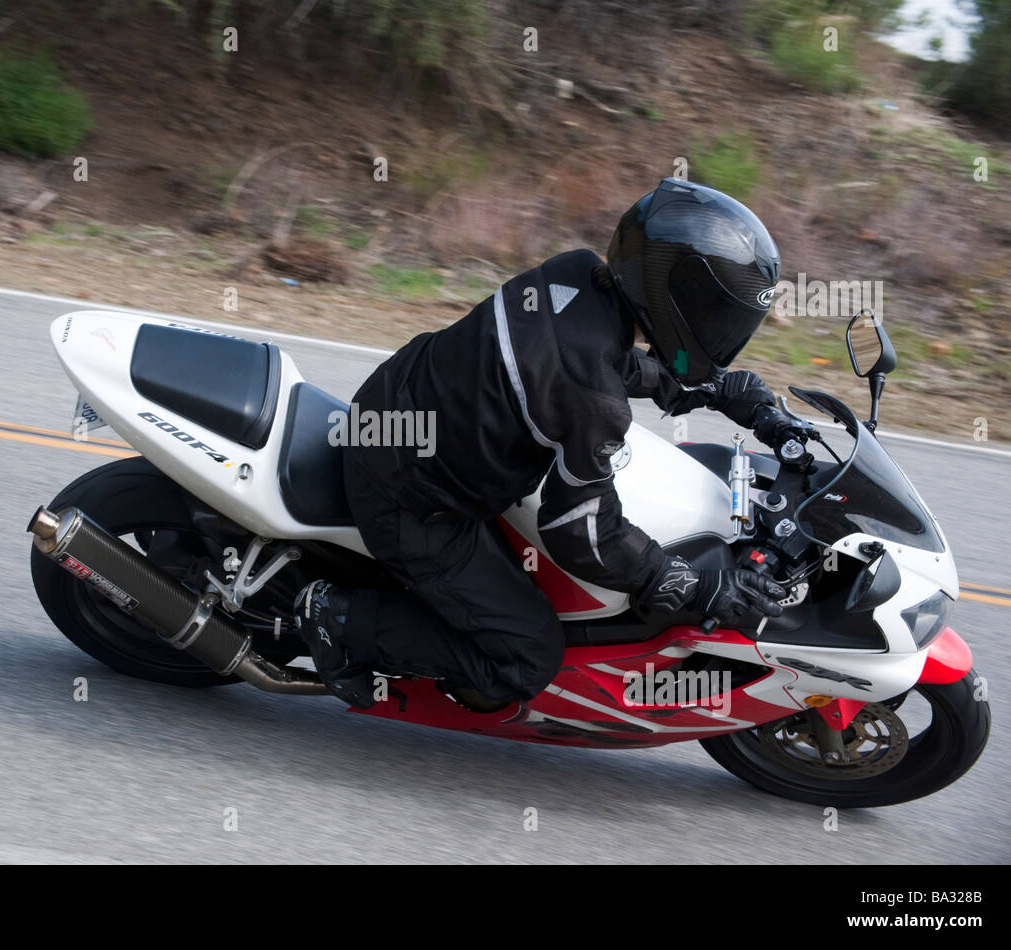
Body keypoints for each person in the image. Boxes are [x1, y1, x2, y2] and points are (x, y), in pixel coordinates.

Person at [295, 178, 797, 710]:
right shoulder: (590, 399)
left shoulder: (575, 276)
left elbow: (596, 363)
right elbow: (581, 532)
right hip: (411, 500)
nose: (722, 329)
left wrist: (712, 388)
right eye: (716, 314)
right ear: (675, 298)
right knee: (528, 658)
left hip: (396, 411)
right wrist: (689, 586)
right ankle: (338, 616)